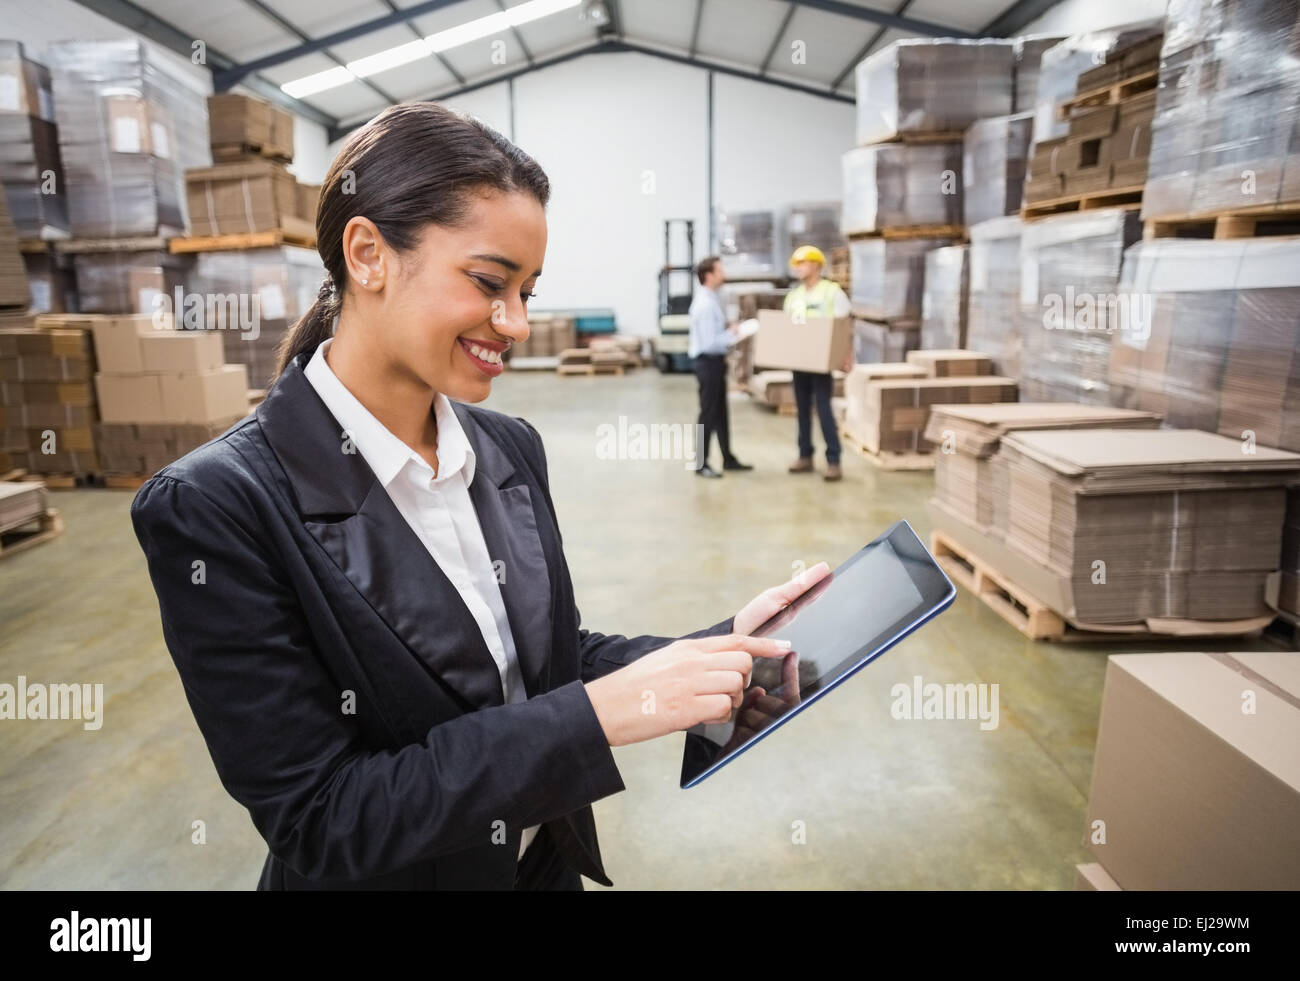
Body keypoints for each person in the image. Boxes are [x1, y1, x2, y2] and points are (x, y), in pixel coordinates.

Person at [130, 102, 830, 892]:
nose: (519, 323)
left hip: (538, 867)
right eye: (491, 282)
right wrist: (595, 718)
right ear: (368, 254)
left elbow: (544, 657)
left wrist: (715, 650)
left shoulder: (506, 447)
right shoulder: (217, 506)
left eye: (529, 290)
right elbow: (324, 816)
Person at [783, 245, 851, 482]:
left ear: (816, 265)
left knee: (823, 409)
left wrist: (845, 355)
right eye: (797, 264)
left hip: (822, 362)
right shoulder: (794, 296)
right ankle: (805, 456)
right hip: (800, 361)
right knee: (801, 409)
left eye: (803, 263)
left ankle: (833, 460)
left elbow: (843, 327)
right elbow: (788, 329)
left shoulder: (832, 292)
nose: (799, 268)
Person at [687, 255, 751, 477]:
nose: (723, 275)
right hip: (708, 362)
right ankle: (700, 463)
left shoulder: (712, 299)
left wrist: (727, 328)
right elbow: (710, 341)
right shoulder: (705, 304)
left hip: (715, 363)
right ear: (709, 276)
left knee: (721, 413)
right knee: (708, 413)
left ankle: (728, 458)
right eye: (720, 271)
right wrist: (733, 334)